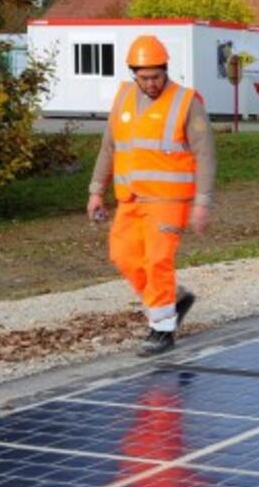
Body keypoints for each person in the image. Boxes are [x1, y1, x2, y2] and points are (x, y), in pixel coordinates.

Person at [87, 35, 216, 356]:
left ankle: (162, 329)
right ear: (134, 74)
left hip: (169, 201)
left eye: (156, 76)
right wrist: (95, 191)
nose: (151, 83)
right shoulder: (123, 99)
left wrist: (202, 202)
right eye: (144, 77)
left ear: (166, 70)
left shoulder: (187, 102)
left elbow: (206, 155)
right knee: (124, 257)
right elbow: (109, 147)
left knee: (157, 261)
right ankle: (175, 298)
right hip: (130, 198)